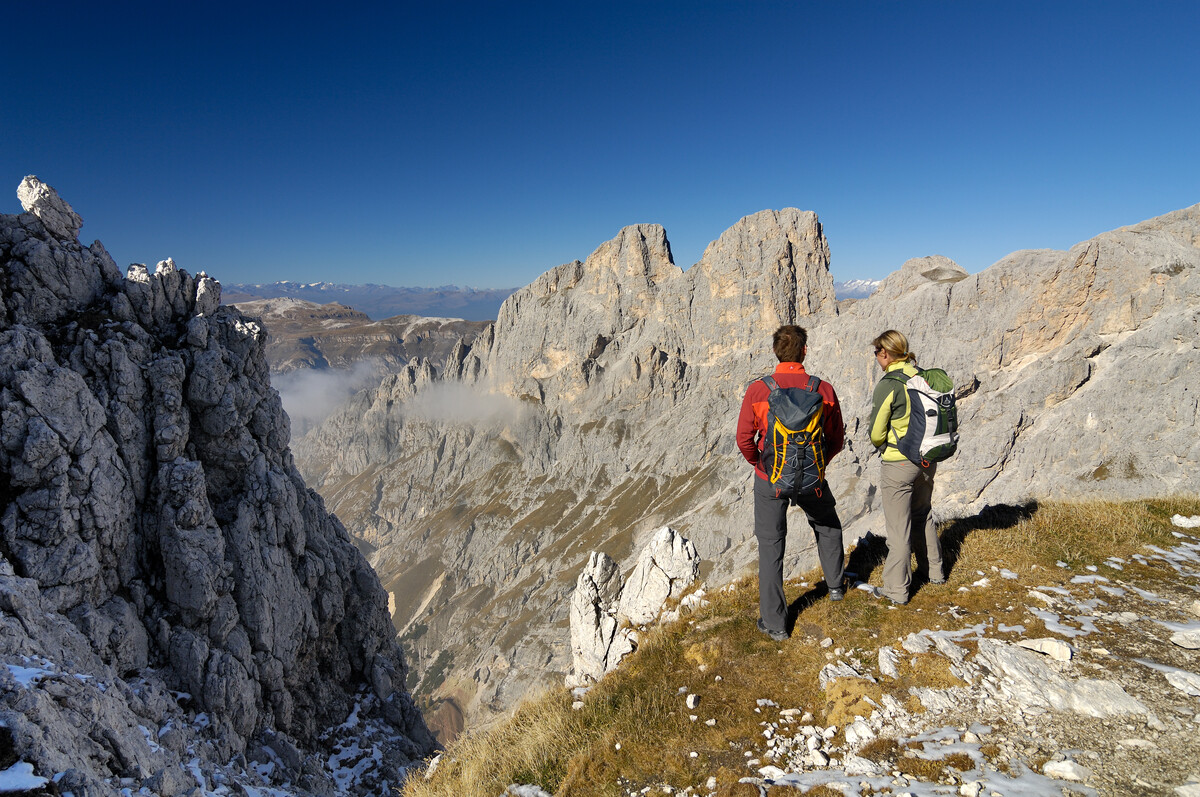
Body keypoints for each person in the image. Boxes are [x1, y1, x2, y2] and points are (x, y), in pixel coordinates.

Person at [736, 325, 847, 641]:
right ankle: (836, 587)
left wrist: (760, 465)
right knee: (827, 525)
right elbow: (836, 438)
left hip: (769, 479)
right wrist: (818, 464)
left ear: (775, 352)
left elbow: (744, 438)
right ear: (805, 351)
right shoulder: (822, 389)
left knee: (771, 545)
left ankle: (776, 624)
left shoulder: (759, 390)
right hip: (812, 476)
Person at [869, 329, 945, 605]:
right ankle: (934, 572)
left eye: (877, 352)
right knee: (922, 513)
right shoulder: (922, 375)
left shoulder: (889, 384)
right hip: (928, 458)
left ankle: (896, 590)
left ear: (886, 354)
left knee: (899, 528)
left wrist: (885, 445)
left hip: (899, 463)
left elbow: (876, 432)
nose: (876, 357)